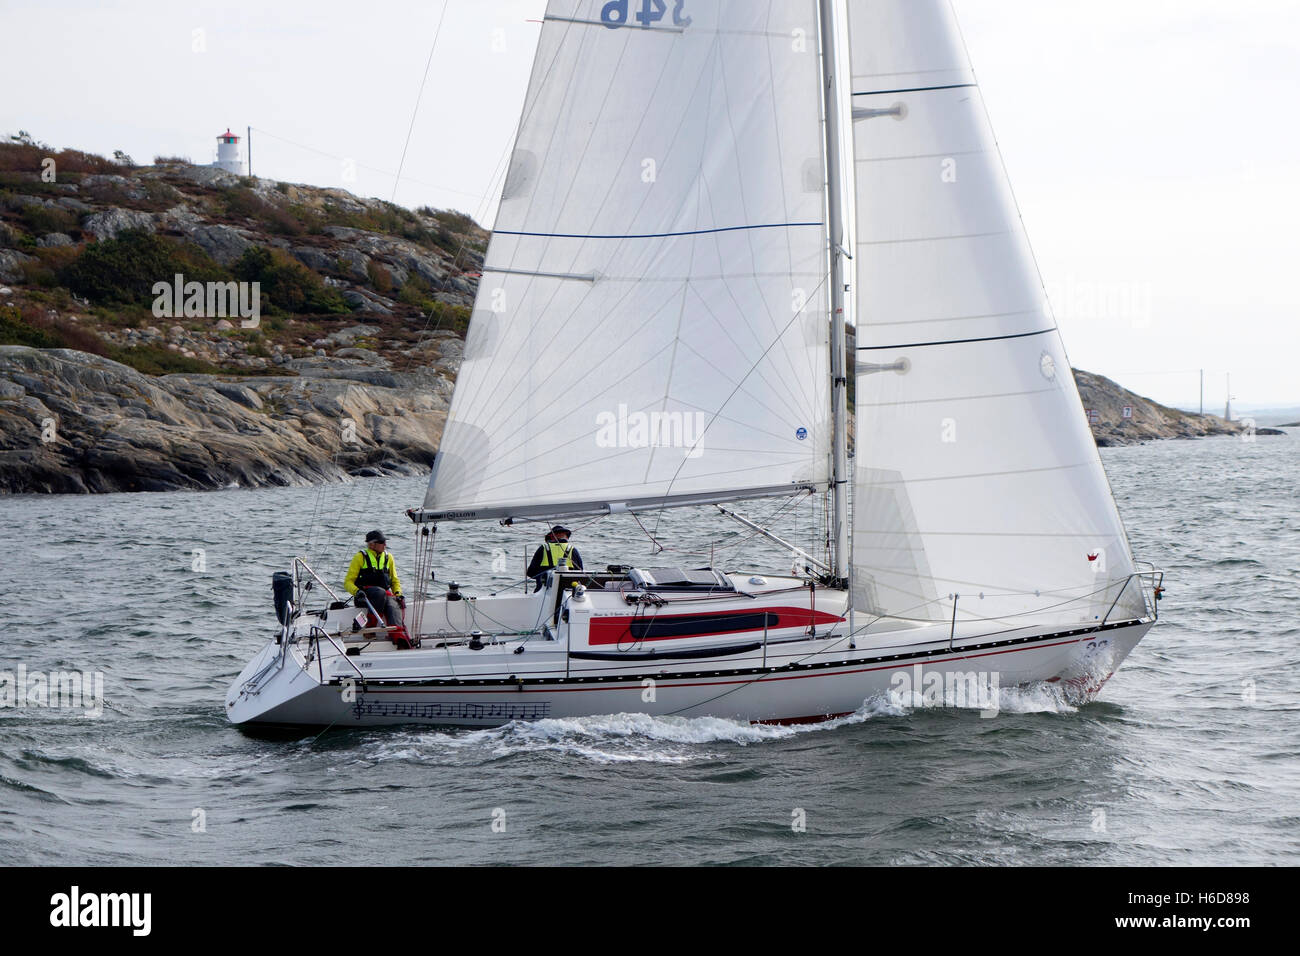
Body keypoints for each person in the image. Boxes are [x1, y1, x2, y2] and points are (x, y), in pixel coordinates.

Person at [344, 530, 405, 629]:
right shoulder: (360, 557)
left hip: (384, 596)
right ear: (371, 544)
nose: (385, 544)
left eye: (384, 542)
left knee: (393, 602)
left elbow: (394, 581)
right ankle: (370, 628)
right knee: (380, 593)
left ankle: (399, 637)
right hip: (364, 597)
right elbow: (348, 582)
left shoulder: (389, 558)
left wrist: (398, 594)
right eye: (381, 542)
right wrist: (357, 591)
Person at [526, 525, 583, 591]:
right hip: (567, 591)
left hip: (543, 590)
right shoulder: (573, 550)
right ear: (566, 537)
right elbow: (580, 573)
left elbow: (530, 573)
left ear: (551, 537)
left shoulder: (543, 548)